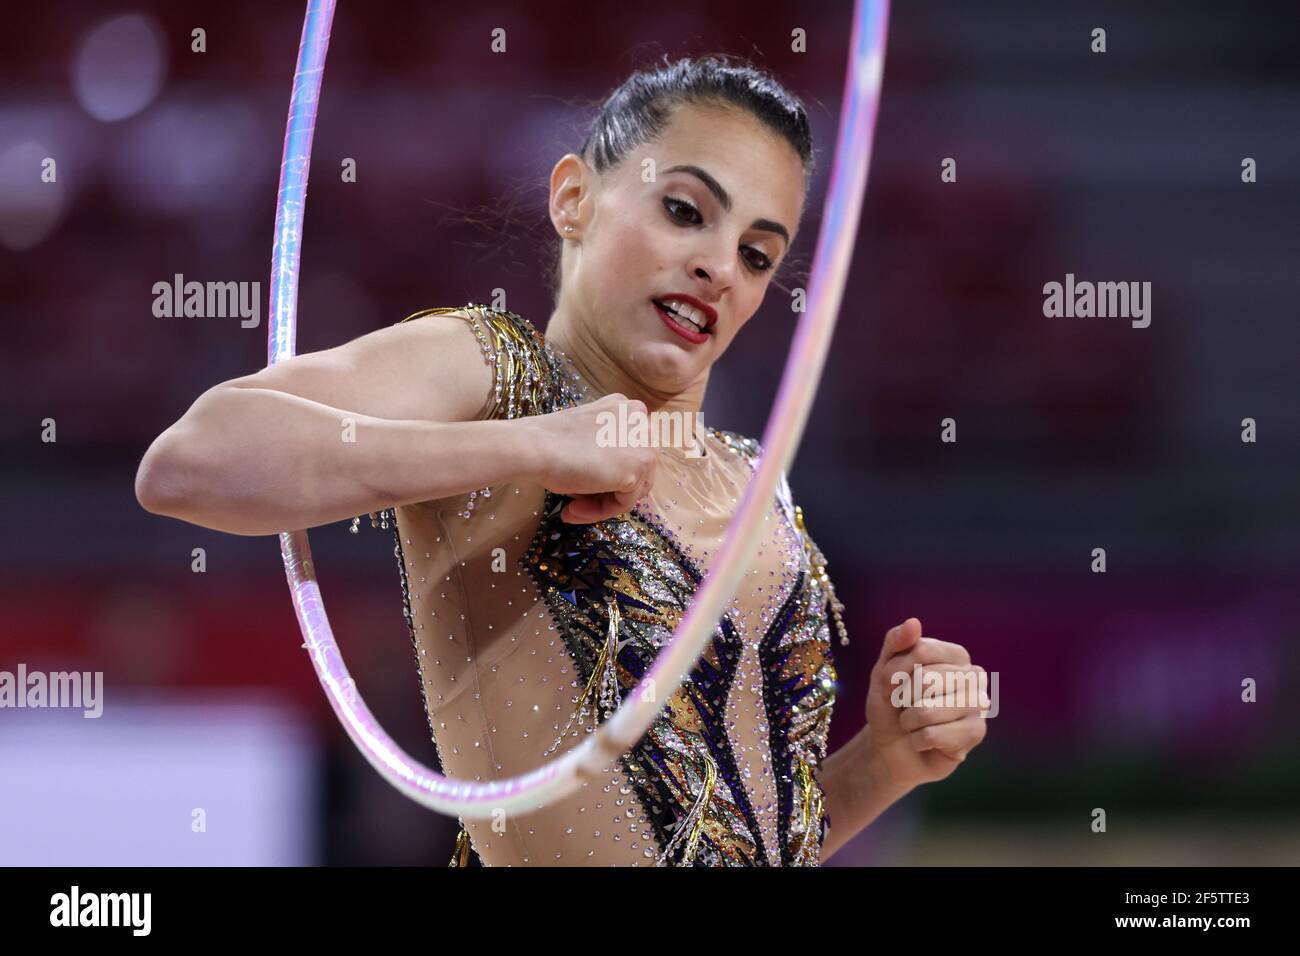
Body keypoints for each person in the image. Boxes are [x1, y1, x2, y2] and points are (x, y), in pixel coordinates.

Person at [135, 54, 988, 867]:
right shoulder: (502, 374)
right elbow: (190, 462)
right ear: (575, 198)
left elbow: (741, 837)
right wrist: (535, 443)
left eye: (757, 254)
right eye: (684, 210)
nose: (717, 267)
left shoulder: (753, 482)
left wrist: (883, 762)